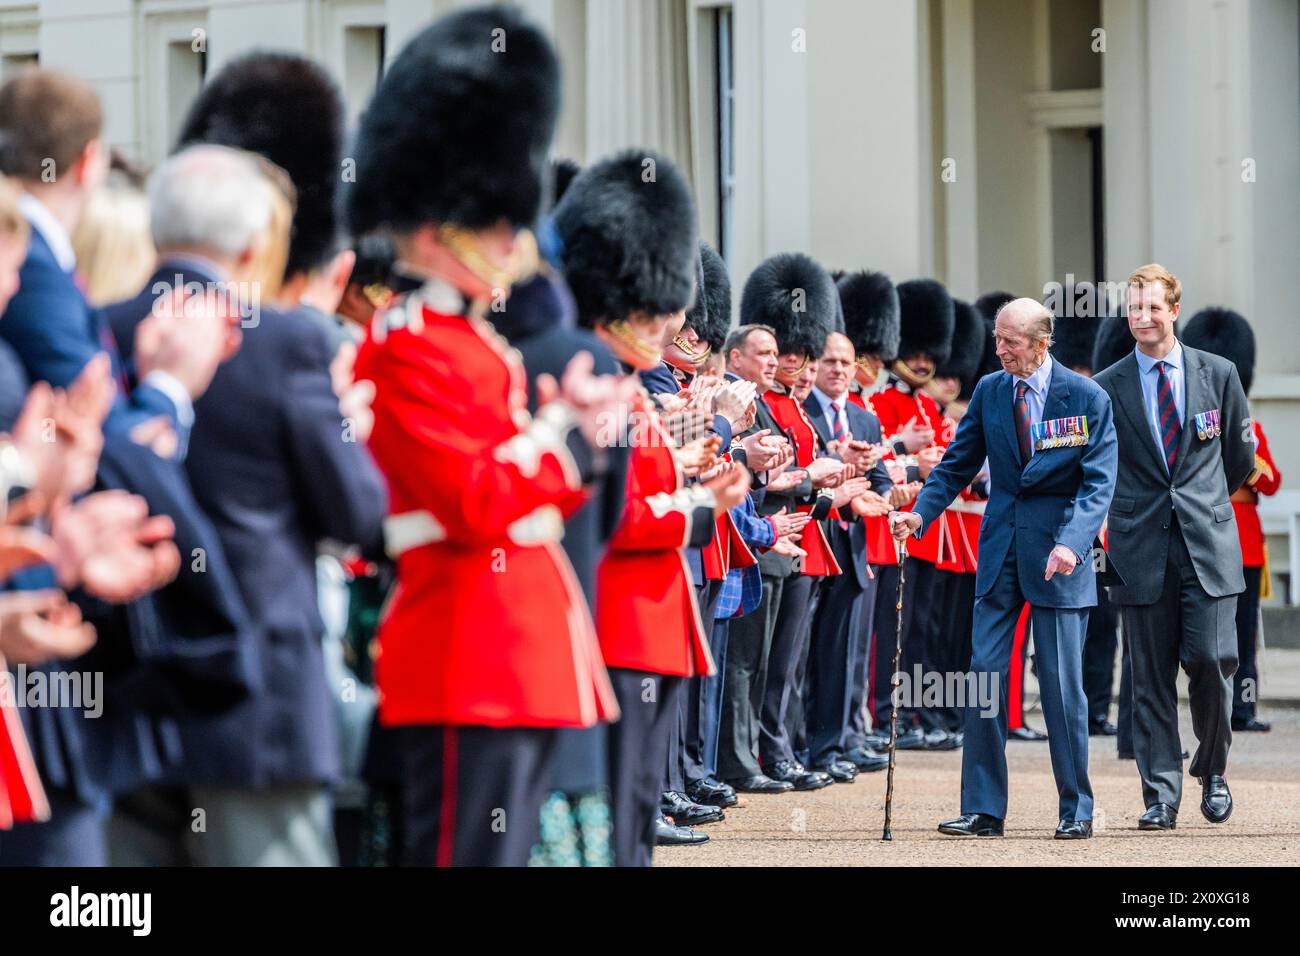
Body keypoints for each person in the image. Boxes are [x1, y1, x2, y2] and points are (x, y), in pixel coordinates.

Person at [350, 7, 627, 867]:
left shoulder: (473, 342)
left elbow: (507, 473)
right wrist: (572, 444)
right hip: (468, 652)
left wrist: (562, 428)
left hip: (517, 647)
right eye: (498, 223)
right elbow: (475, 500)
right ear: (437, 228)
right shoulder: (407, 346)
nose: (515, 241)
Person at [554, 148, 751, 864]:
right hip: (625, 618)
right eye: (659, 312)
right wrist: (701, 504)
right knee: (624, 809)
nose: (673, 326)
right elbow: (622, 517)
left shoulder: (630, 386)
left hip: (653, 619)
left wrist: (694, 472)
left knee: (634, 806)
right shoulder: (611, 386)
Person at [891, 297, 1117, 840]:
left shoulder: (1086, 396)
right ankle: (984, 808)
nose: (999, 349)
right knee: (983, 679)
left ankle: (1076, 807)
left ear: (1042, 344)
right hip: (1000, 553)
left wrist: (1074, 544)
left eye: (1010, 341)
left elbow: (1098, 482)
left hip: (1059, 557)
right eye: (997, 339)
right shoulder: (992, 391)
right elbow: (956, 464)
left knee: (1063, 689)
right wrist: (919, 516)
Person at [1095, 265, 1254, 831]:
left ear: (1174, 310)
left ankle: (1212, 768)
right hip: (1139, 547)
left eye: (1153, 307)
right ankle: (1160, 792)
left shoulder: (1219, 373)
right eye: (1134, 307)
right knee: (1149, 680)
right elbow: (1101, 465)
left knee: (1214, 662)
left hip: (1207, 545)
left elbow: (1238, 457)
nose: (1143, 317)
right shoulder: (1107, 384)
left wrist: (1202, 501)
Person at [1178, 308, 1280, 734]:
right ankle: (1215, 708)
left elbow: (1271, 482)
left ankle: (1244, 708)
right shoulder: (1196, 420)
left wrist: (1248, 455)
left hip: (1246, 541)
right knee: (1210, 634)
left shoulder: (1250, 426)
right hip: (1207, 534)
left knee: (1245, 632)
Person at [803, 329, 893, 778]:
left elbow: (880, 479)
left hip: (853, 541)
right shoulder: (801, 408)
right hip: (813, 537)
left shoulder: (863, 418)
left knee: (847, 650)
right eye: (829, 360)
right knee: (807, 652)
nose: (838, 369)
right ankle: (810, 746)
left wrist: (886, 495)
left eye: (846, 361)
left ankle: (839, 742)